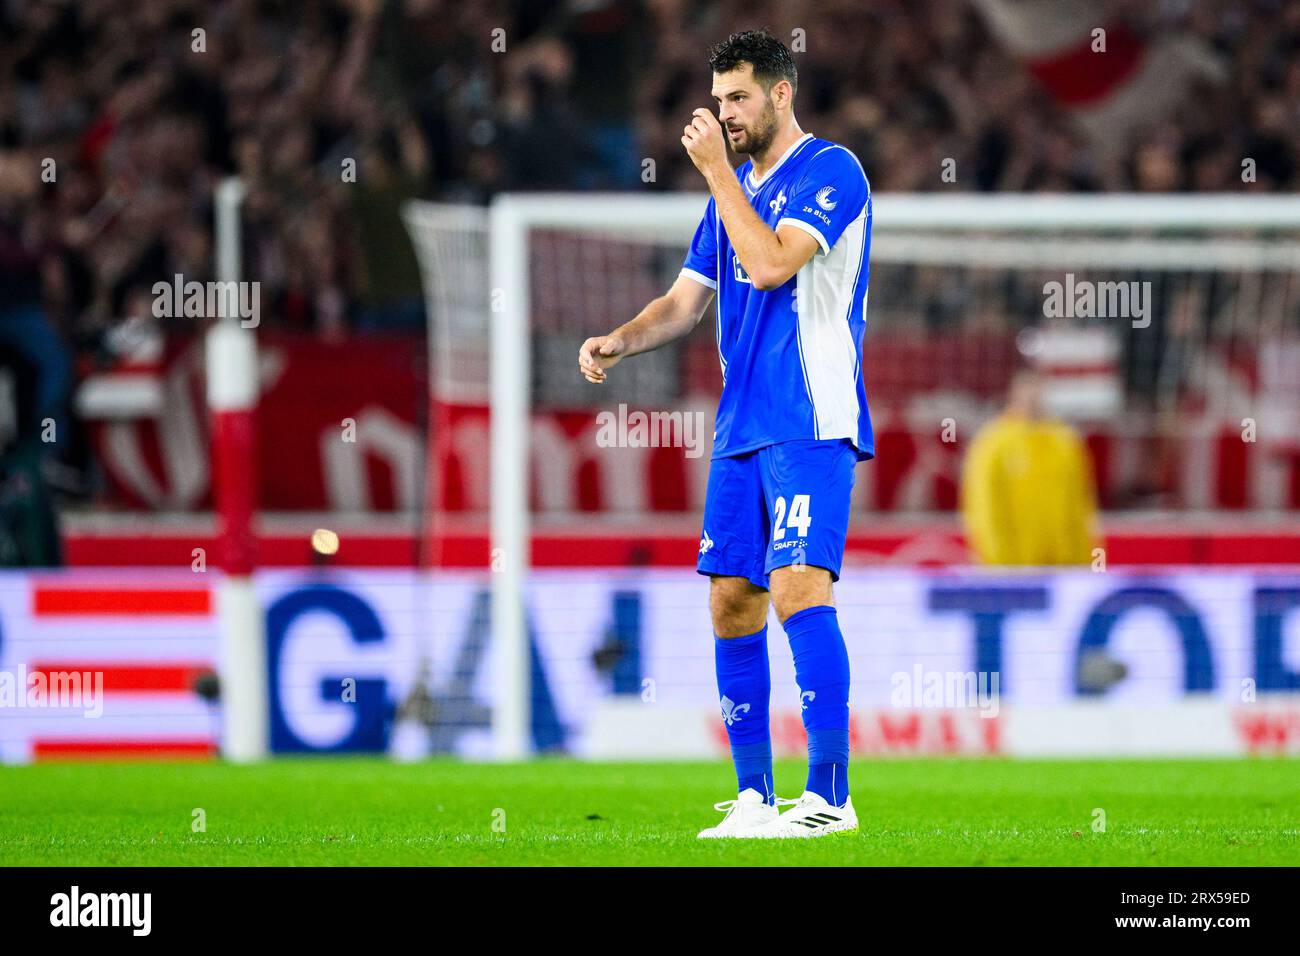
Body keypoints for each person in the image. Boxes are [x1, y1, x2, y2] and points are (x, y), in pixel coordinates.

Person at [578, 30, 872, 838]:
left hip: (810, 413)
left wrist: (715, 172)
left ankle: (830, 798)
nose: (724, 114)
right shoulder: (731, 192)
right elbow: (685, 301)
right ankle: (753, 797)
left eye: (738, 97)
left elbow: (775, 263)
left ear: (782, 93)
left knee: (799, 589)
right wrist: (621, 337)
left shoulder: (831, 171)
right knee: (732, 601)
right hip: (742, 424)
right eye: (717, 100)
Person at [961, 369, 1100, 566]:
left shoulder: (1065, 443)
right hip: (1010, 568)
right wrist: (997, 560)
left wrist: (1084, 557)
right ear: (1013, 395)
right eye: (1027, 393)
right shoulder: (993, 444)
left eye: (1037, 392)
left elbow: (1080, 504)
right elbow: (984, 506)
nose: (1033, 399)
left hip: (1061, 564)